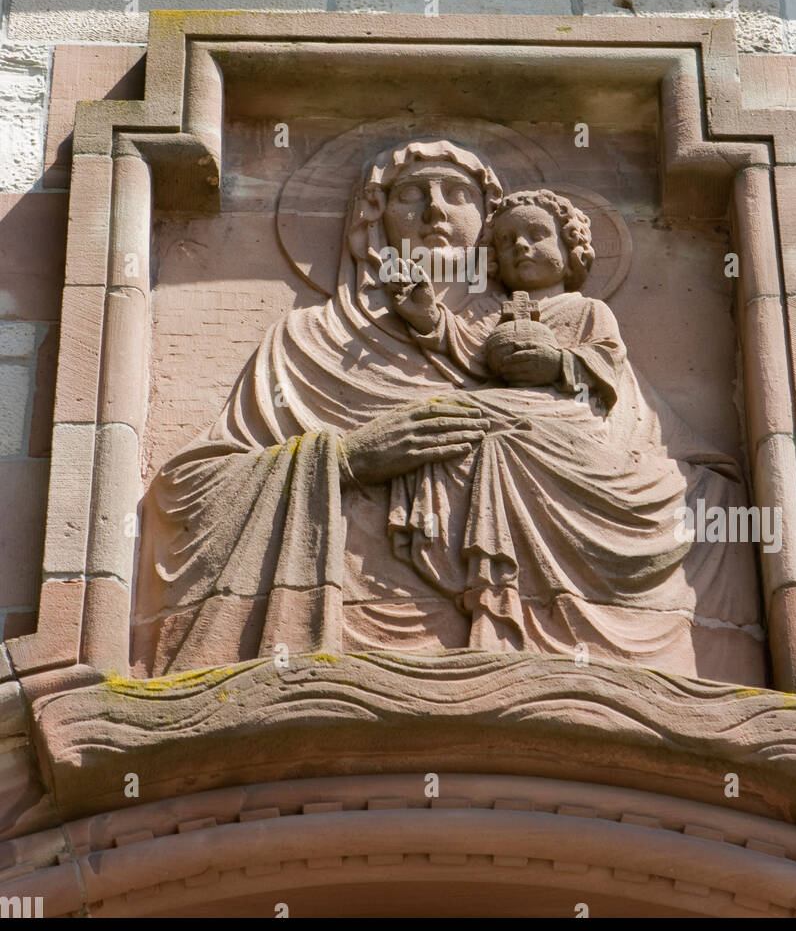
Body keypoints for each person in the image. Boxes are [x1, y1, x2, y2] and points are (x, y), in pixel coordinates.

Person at [133, 143, 763, 684]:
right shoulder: (307, 341)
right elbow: (185, 493)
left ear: (485, 224)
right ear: (374, 218)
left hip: (553, 491)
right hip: (361, 618)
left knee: (724, 515)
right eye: (412, 194)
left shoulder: (557, 320)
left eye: (457, 194)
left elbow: (670, 458)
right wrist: (345, 460)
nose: (435, 211)